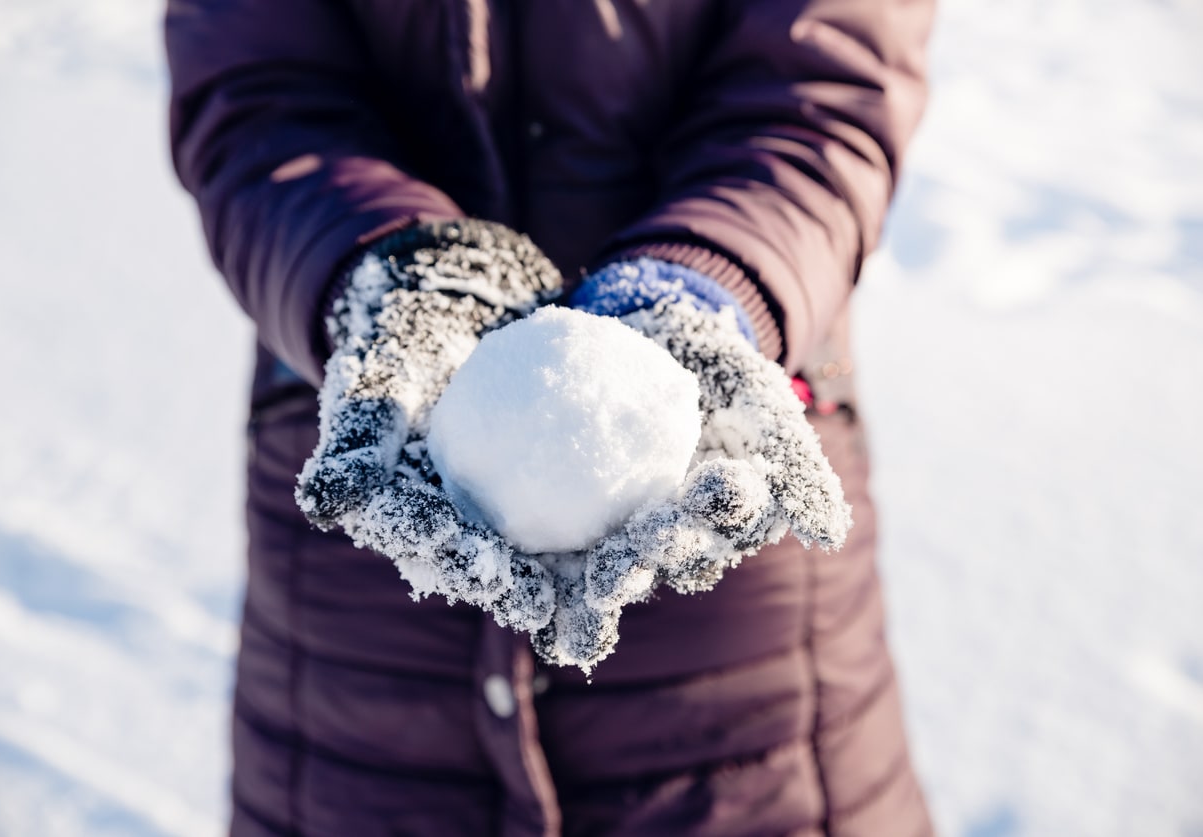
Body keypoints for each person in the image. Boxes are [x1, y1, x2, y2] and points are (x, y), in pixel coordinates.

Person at [165, 0, 935, 834]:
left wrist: (711, 282)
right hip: (371, 527)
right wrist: (393, 272)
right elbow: (256, 93)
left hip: (730, 548)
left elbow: (824, 91)